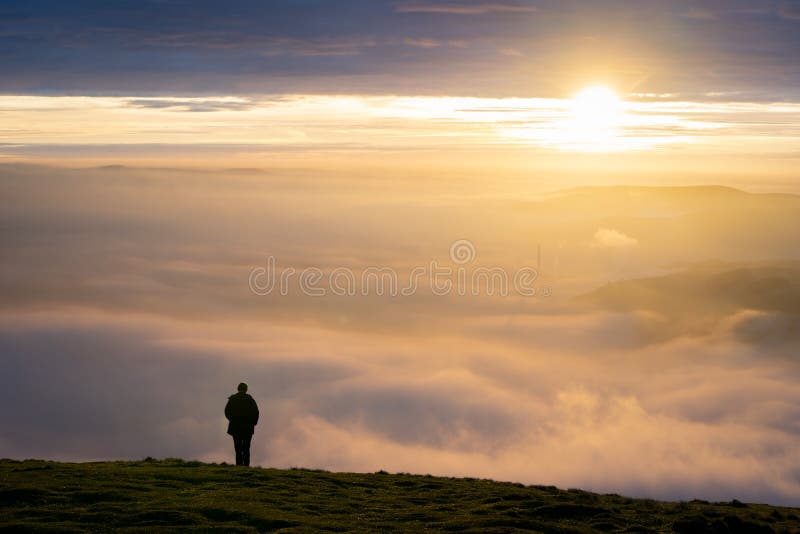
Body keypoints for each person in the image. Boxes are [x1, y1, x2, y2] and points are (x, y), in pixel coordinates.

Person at [224, 382, 260, 466]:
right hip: (248, 428)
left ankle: (239, 465)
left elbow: (227, 412)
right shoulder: (250, 399)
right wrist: (253, 423)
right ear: (246, 389)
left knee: (238, 448)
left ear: (238, 389)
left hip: (236, 427)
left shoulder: (233, 399)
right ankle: (246, 466)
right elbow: (256, 412)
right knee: (246, 448)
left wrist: (232, 420)